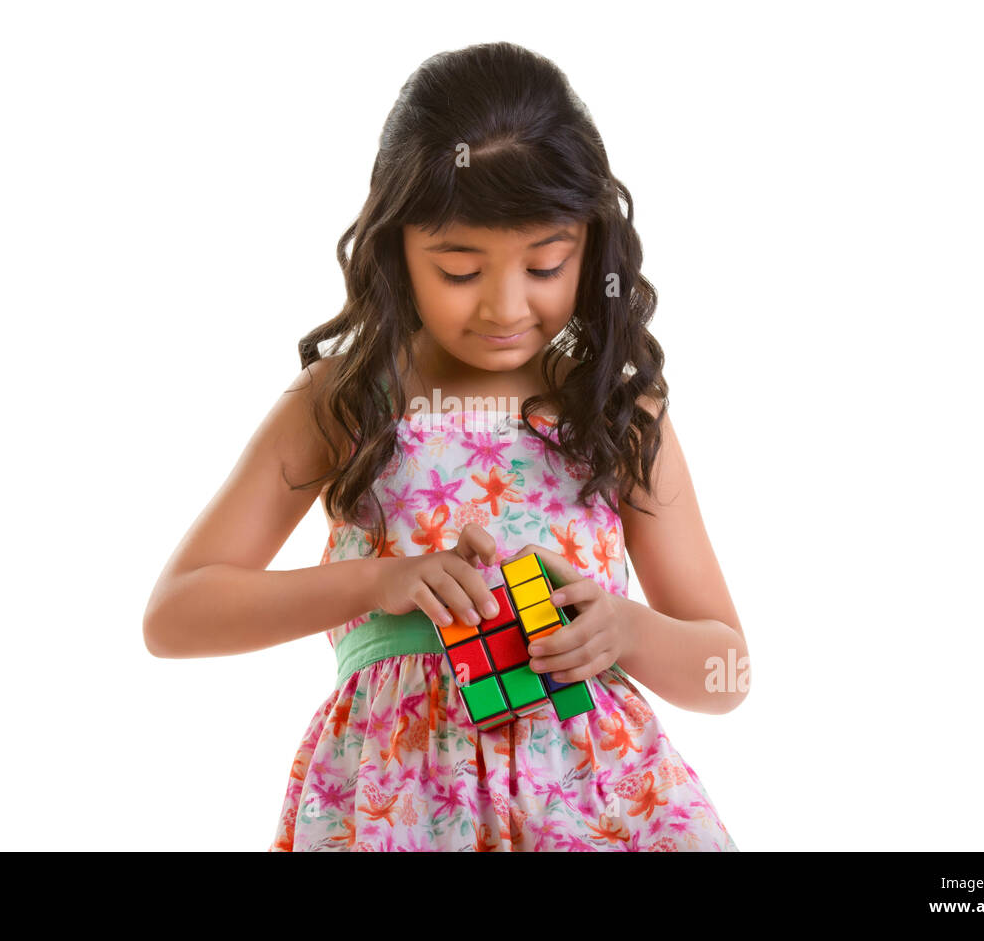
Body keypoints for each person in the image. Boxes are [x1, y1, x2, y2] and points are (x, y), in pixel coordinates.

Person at [143, 41, 749, 851]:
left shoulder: (614, 411)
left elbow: (727, 670)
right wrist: (378, 581)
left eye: (546, 264)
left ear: (591, 246)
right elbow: (177, 615)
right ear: (397, 251)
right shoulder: (348, 401)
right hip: (401, 809)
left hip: (602, 806)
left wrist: (628, 632)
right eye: (461, 269)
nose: (505, 305)